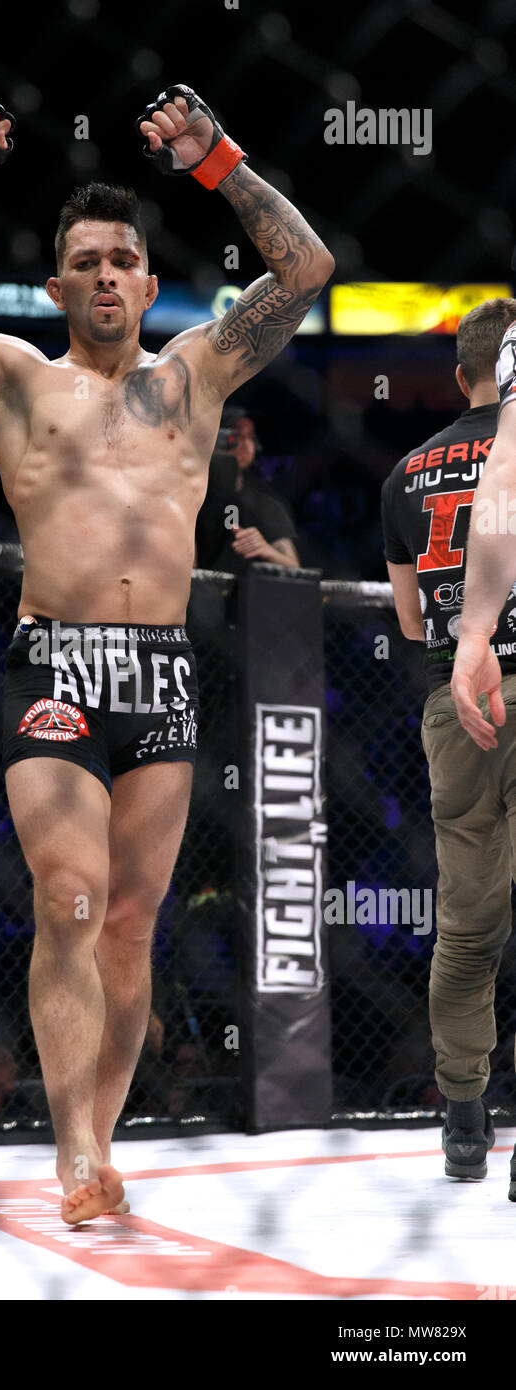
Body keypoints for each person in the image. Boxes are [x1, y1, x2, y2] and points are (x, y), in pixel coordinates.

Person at [0, 82, 333, 1222]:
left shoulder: (195, 374)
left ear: (150, 284)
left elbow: (306, 268)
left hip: (160, 670)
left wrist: (216, 159)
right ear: (60, 284)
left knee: (127, 924)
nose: (107, 274)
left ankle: (100, 1140)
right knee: (68, 897)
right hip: (55, 665)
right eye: (86, 260)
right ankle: (71, 1153)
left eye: (124, 257)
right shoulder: (16, 379)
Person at [380, 297, 516, 1188]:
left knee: (468, 928)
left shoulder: (406, 475)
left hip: (457, 701)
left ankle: (464, 1120)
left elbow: (404, 617)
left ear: (457, 375)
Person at [195, 406, 300, 572]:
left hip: (246, 594)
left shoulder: (266, 503)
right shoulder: (193, 494)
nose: (246, 444)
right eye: (235, 436)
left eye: (250, 437)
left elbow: (294, 568)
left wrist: (267, 550)